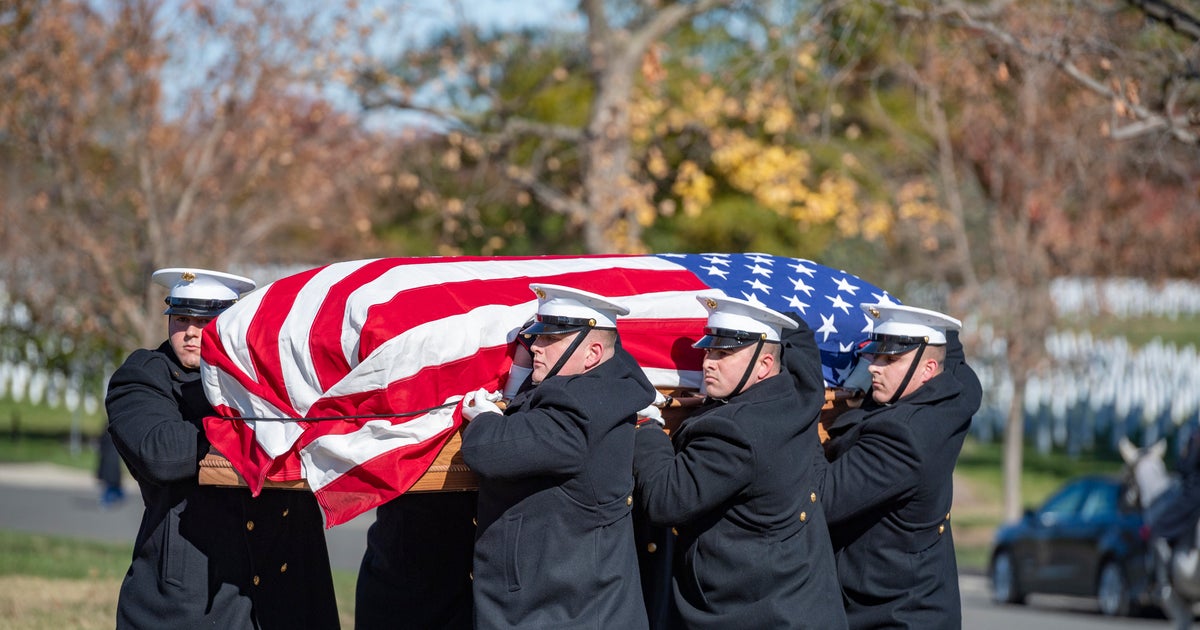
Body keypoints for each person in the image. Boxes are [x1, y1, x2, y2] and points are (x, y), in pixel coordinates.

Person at [105, 268, 339, 629]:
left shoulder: (274, 374)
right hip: (192, 599)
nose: (192, 333)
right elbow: (162, 454)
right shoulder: (144, 375)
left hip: (284, 591)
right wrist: (254, 423)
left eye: (207, 320)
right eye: (181, 319)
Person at [631, 294, 848, 629]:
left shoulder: (734, 431)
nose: (707, 362)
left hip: (753, 615)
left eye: (724, 353)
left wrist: (646, 425)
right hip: (804, 606)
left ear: (764, 366)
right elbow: (800, 341)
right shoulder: (800, 395)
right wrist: (768, 316)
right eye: (707, 349)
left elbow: (665, 498)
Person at [458, 283, 656, 630]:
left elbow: (487, 450)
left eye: (551, 339)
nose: (536, 345)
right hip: (566, 605)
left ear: (592, 354)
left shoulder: (579, 411)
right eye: (537, 335)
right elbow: (538, 413)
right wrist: (519, 375)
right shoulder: (598, 390)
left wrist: (484, 417)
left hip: (565, 613)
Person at [819, 302, 982, 629]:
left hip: (892, 615)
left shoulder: (903, 437)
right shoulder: (957, 393)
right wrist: (922, 319)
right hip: (922, 603)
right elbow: (955, 360)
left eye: (890, 359)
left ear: (927, 370)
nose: (873, 368)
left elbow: (821, 498)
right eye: (876, 355)